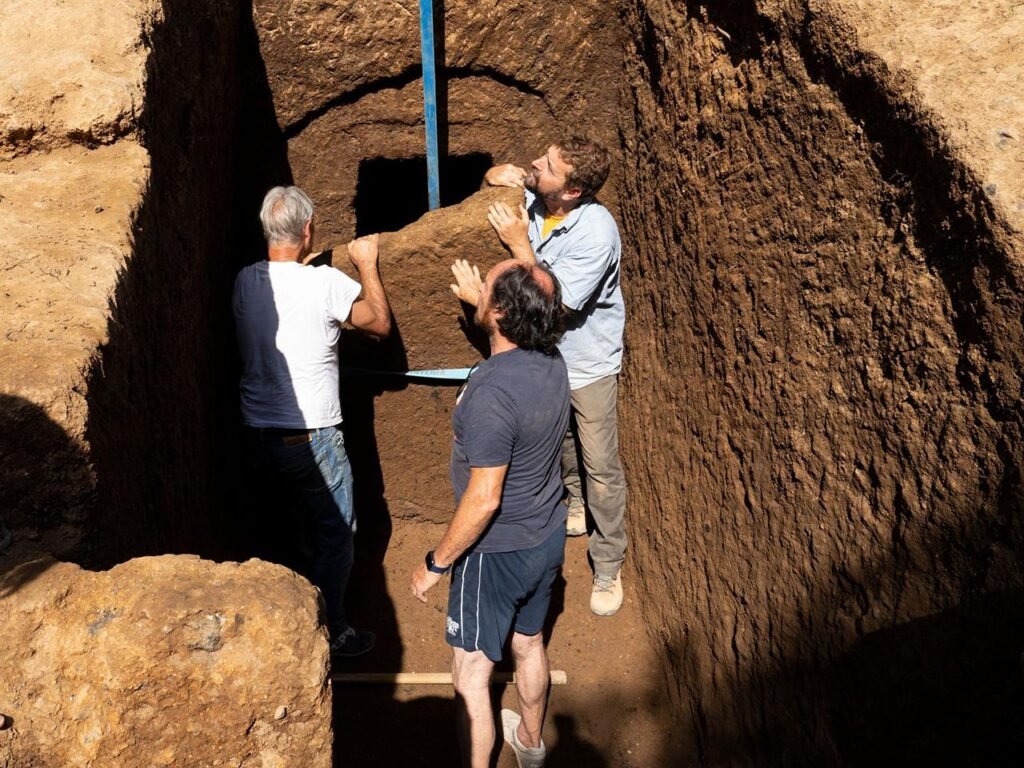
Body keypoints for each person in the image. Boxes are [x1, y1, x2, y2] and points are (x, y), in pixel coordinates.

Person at [411, 259, 570, 768]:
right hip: (546, 537)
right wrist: (483, 303)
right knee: (529, 644)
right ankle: (530, 741)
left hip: (494, 553)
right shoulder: (554, 362)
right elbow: (511, 356)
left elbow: (484, 499)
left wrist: (436, 563)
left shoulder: (490, 394)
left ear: (499, 312)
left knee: (471, 671)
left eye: (487, 286)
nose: (478, 288)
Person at [233, 185, 391, 658]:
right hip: (312, 442)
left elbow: (286, 287)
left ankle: (286, 617)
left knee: (285, 528)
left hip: (256, 437)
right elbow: (378, 324)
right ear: (307, 231)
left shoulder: (244, 281)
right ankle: (332, 630)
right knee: (336, 537)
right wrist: (366, 266)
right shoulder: (326, 284)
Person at [478, 135, 628, 617]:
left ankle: (608, 564)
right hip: (546, 358)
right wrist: (498, 175)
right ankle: (575, 504)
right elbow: (505, 178)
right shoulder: (540, 197)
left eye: (545, 166)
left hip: (586, 363)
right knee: (560, 440)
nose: (534, 165)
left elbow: (554, 306)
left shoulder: (595, 234)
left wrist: (520, 246)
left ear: (572, 193)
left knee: (601, 465)